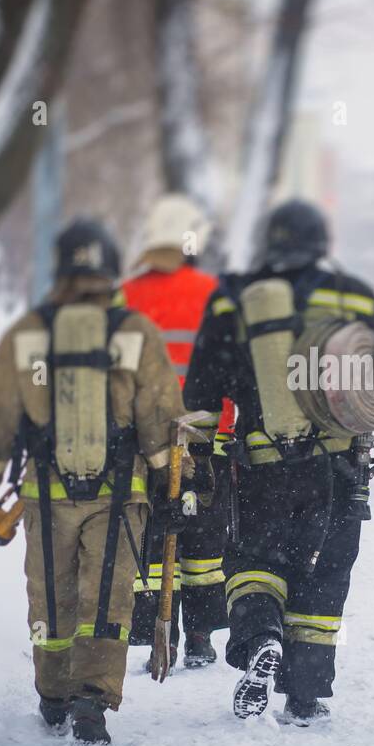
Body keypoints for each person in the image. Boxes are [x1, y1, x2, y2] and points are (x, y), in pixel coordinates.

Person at [0, 218, 186, 746]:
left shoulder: (28, 333)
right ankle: (92, 701)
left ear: (59, 269)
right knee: (107, 598)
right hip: (119, 495)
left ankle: (54, 694)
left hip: (45, 494)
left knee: (51, 599)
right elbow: (161, 422)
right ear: (110, 269)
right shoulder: (135, 332)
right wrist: (176, 490)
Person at [184, 199, 374, 724]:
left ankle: (259, 639)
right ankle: (303, 695)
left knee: (255, 561)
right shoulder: (352, 296)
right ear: (322, 243)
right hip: (341, 468)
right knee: (323, 574)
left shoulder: (234, 298)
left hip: (262, 465)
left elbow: (204, 390)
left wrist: (201, 454)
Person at [119, 193, 235, 672]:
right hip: (204, 433)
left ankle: (146, 629)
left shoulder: (125, 295)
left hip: (141, 435)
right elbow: (231, 366)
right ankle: (201, 637)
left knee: (147, 530)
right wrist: (228, 426)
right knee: (204, 539)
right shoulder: (213, 293)